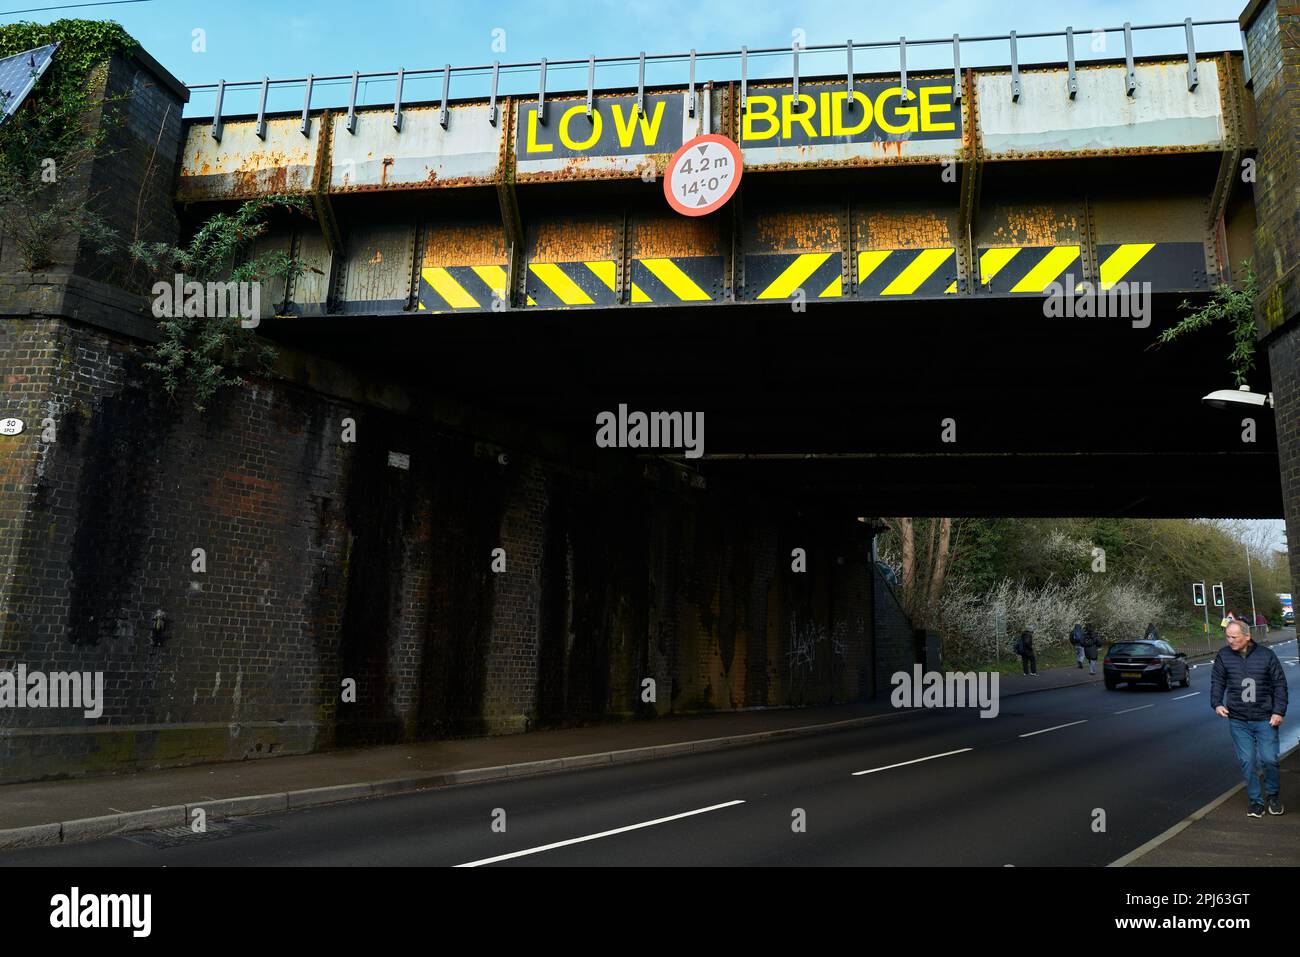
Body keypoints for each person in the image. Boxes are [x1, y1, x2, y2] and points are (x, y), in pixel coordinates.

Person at [1210, 619, 1288, 818]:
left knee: (1270, 759)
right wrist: (1217, 703)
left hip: (1265, 718)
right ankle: (1256, 802)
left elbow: (1280, 685)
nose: (1230, 641)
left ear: (1247, 636)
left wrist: (1279, 712)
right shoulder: (1223, 656)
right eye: (1227, 636)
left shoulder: (1266, 655)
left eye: (1234, 637)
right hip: (1238, 719)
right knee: (1247, 760)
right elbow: (1217, 681)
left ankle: (1273, 797)